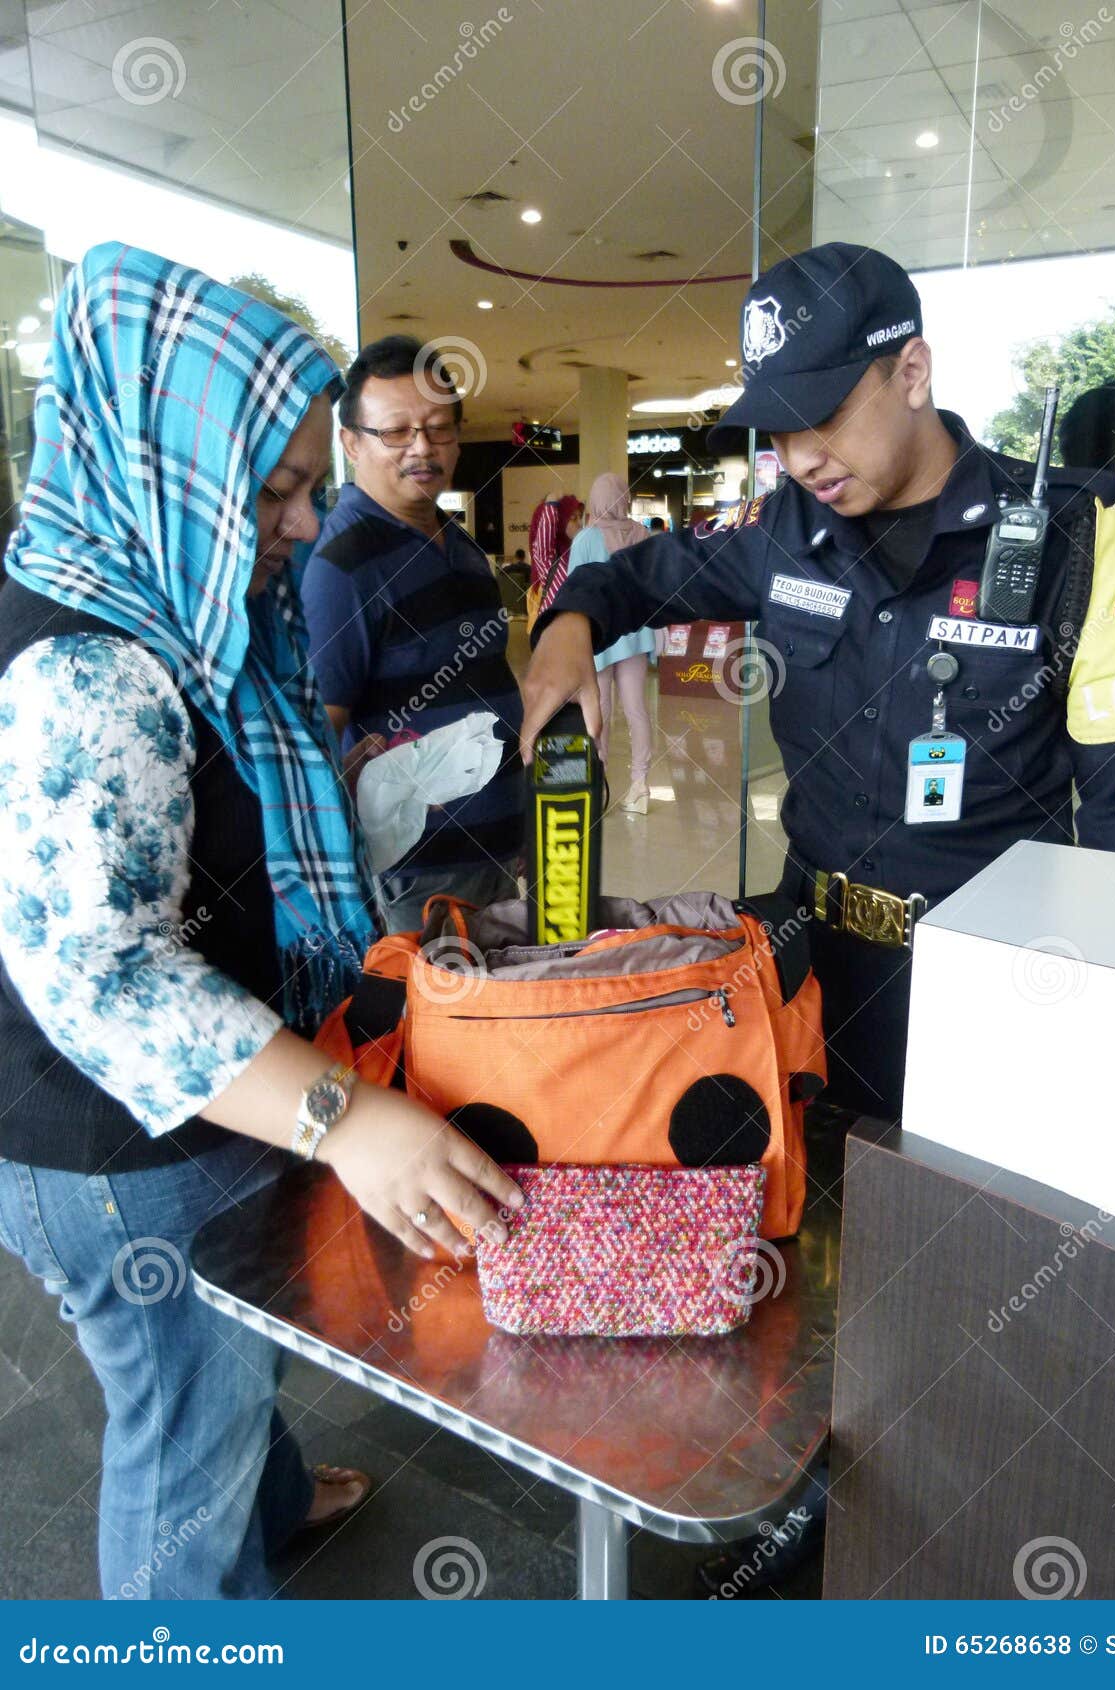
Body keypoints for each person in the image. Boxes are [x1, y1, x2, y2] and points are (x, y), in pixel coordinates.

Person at [0, 245, 521, 1601]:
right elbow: (102, 973)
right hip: (118, 1148)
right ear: (172, 465)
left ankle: (276, 1499)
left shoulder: (177, 613)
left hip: (182, 1117)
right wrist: (351, 1118)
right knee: (182, 1428)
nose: (297, 523)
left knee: (230, 1349)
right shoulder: (85, 666)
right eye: (275, 490)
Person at [523, 241, 1115, 1124]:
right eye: (779, 429)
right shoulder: (785, 529)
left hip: (988, 978)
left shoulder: (1076, 533)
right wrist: (567, 626)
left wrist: (1098, 1017)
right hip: (807, 969)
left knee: (950, 1236)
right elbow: (638, 578)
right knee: (814, 1218)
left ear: (912, 370)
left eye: (823, 415)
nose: (800, 456)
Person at [300, 335, 524, 932]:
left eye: (438, 428)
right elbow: (325, 733)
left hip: (498, 856)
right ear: (350, 443)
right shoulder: (343, 567)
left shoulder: (461, 545)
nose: (422, 448)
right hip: (419, 878)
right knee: (435, 1023)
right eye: (395, 432)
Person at [568, 474, 656, 813]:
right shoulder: (642, 534)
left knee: (598, 710)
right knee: (636, 708)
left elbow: (574, 595)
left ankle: (597, 782)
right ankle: (640, 784)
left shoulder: (586, 539)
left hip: (600, 634)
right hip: (634, 632)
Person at [527, 493, 583, 624]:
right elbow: (544, 539)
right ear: (559, 522)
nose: (580, 524)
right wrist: (551, 506)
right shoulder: (548, 560)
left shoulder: (577, 553)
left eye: (580, 517)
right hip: (555, 632)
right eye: (573, 518)